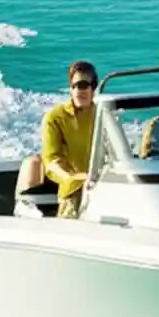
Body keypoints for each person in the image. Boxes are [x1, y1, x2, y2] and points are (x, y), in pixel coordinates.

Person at [39, 60, 98, 218]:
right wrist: (72, 177)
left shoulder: (103, 115)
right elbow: (51, 161)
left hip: (102, 185)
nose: (80, 90)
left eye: (85, 85)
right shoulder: (55, 117)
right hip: (73, 190)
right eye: (76, 85)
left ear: (94, 88)